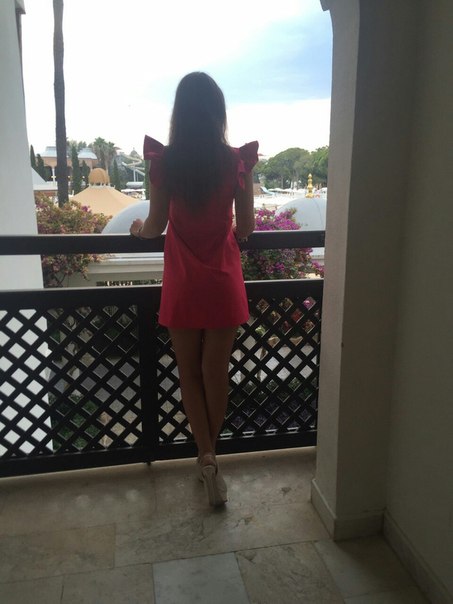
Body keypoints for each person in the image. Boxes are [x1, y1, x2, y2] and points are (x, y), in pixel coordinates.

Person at [130, 72, 258, 506]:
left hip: (183, 281)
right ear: (218, 113)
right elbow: (247, 228)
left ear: (178, 114)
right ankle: (210, 458)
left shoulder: (166, 163)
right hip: (223, 280)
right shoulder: (235, 163)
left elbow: (155, 226)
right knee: (215, 371)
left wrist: (137, 229)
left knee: (188, 371)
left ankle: (204, 458)